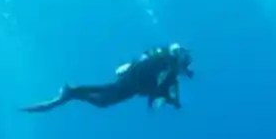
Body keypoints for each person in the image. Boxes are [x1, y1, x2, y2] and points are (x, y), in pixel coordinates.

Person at [21, 43, 194, 113]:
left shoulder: (166, 67)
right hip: (133, 82)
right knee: (107, 94)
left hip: (133, 83)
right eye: (183, 66)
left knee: (105, 98)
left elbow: (163, 88)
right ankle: (72, 91)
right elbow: (161, 87)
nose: (182, 70)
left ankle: (73, 92)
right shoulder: (165, 65)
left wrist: (172, 100)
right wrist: (170, 99)